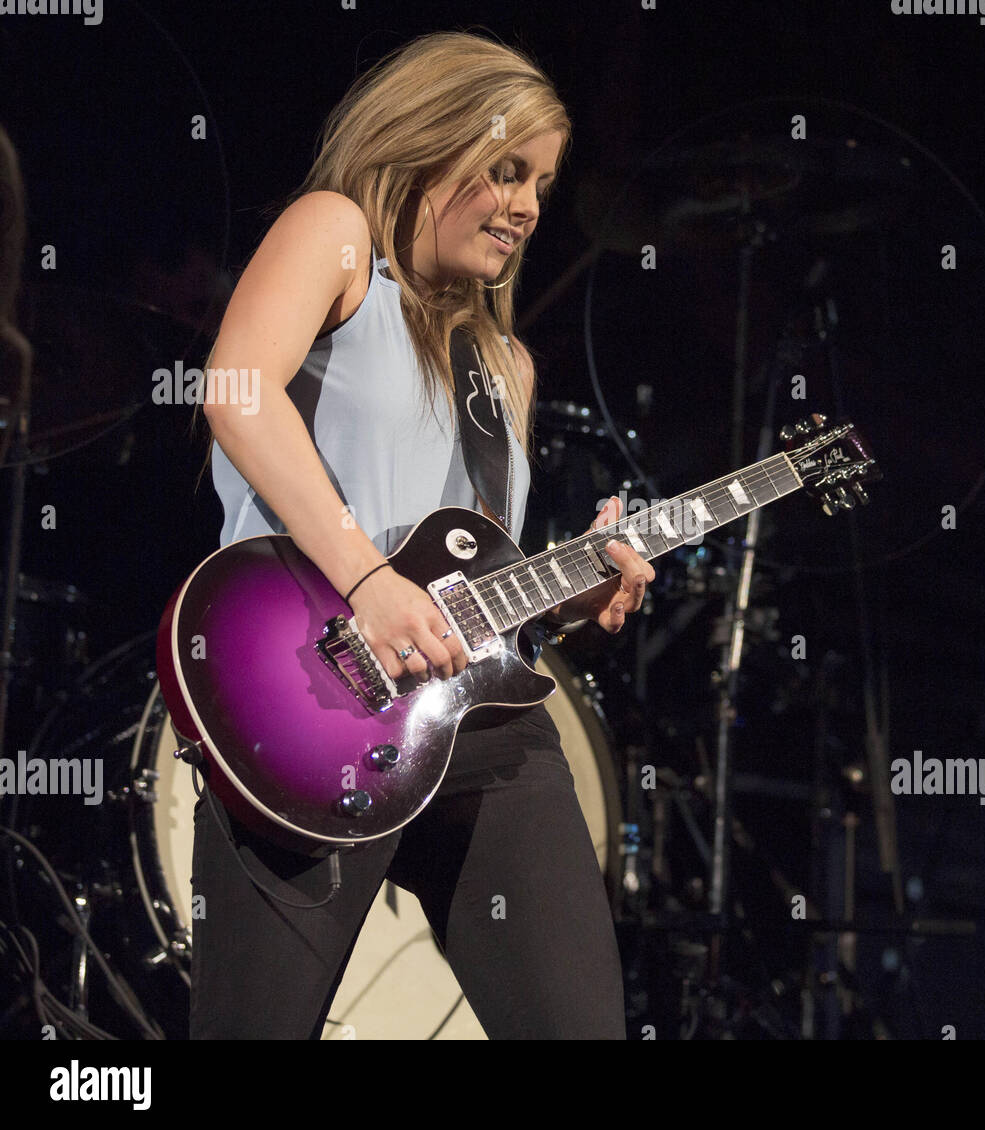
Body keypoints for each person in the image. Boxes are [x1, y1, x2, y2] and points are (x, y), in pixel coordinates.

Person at [194, 30, 654, 1040]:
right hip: (302, 701)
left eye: (542, 184)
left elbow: (471, 579)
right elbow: (236, 391)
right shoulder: (335, 237)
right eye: (507, 170)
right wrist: (366, 579)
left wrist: (567, 597)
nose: (529, 206)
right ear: (428, 141)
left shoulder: (508, 364)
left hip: (477, 729)